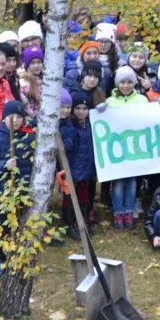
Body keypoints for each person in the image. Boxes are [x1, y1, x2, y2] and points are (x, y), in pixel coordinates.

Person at [0, 100, 35, 278]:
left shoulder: (28, 137)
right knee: (1, 225)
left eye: (19, 117)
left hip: (23, 190)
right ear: (4, 118)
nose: (15, 120)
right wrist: (4, 165)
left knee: (21, 222)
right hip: (2, 190)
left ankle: (18, 256)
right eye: (11, 117)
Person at [100, 66, 147, 230]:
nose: (126, 85)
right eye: (122, 82)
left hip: (135, 148)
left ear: (134, 83)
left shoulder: (142, 100)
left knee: (133, 182)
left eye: (129, 82)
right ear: (117, 83)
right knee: (119, 182)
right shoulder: (110, 101)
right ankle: (118, 213)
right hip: (117, 149)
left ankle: (129, 211)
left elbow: (150, 120)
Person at [59, 91, 97, 237]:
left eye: (85, 108)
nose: (81, 111)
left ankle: (84, 220)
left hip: (86, 165)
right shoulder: (69, 124)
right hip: (69, 164)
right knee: (68, 193)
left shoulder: (91, 124)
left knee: (83, 193)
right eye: (78, 108)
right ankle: (69, 222)